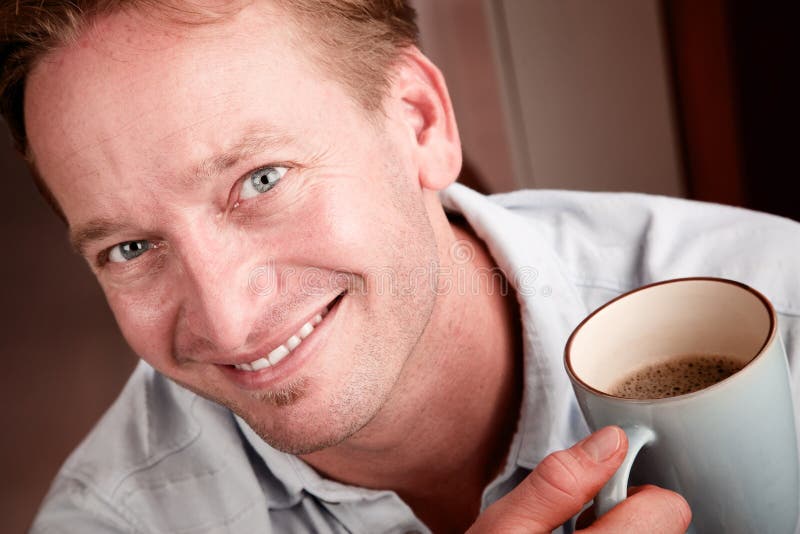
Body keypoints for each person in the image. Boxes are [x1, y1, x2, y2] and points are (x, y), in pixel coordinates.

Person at [6, 1, 799, 532]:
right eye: (131, 248)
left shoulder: (786, 313)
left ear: (419, 122)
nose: (226, 320)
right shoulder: (111, 519)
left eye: (261, 180)